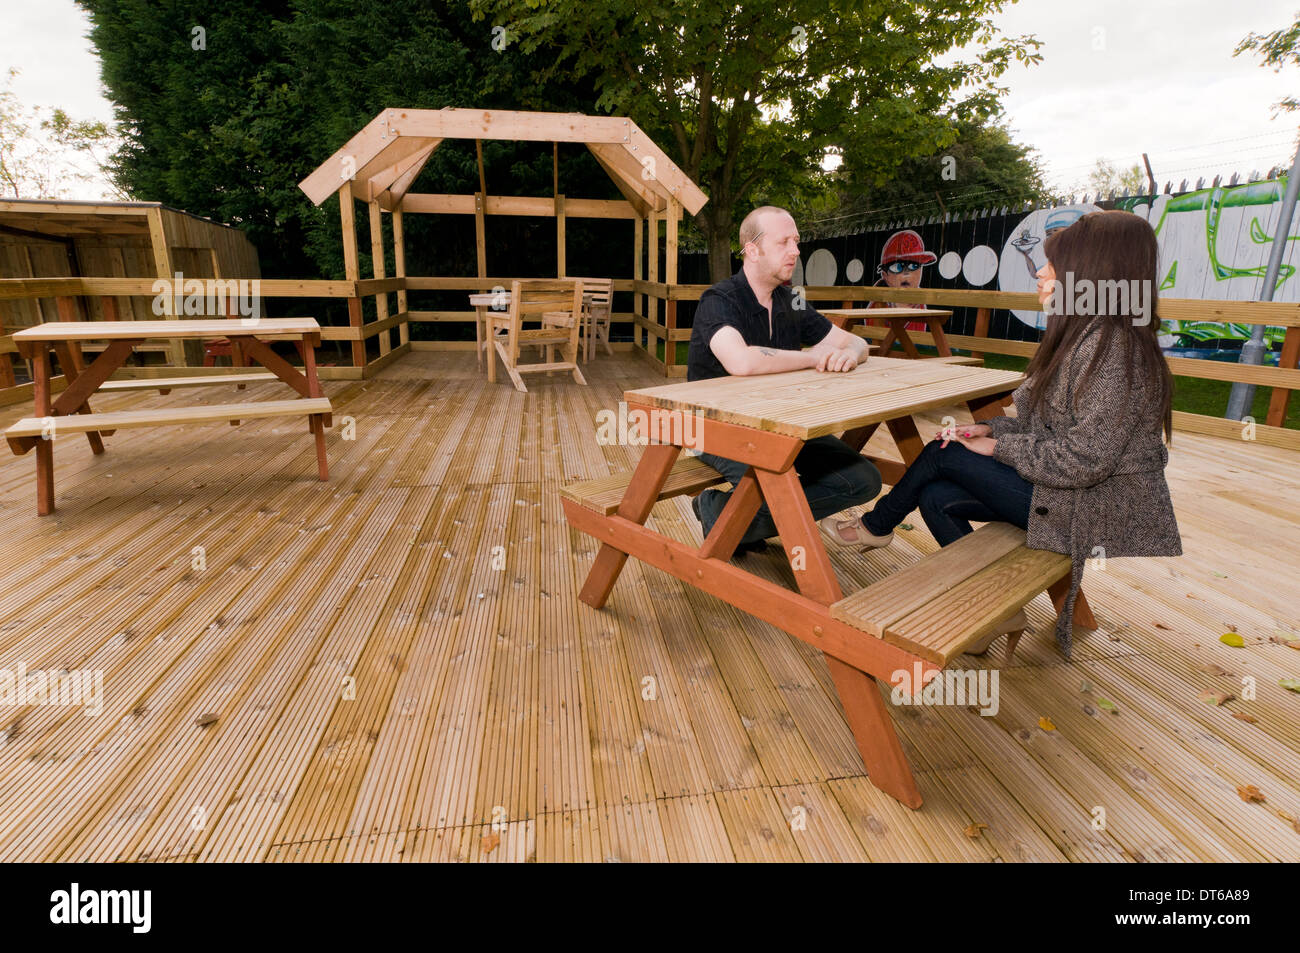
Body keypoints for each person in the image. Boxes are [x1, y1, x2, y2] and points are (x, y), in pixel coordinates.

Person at [819, 209, 1182, 659]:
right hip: (1071, 492)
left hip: (1091, 506)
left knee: (944, 449)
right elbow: (1049, 428)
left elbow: (1084, 461)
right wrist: (989, 426)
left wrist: (997, 446)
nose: (1041, 273)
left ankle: (876, 526)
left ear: (1090, 274)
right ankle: (993, 609)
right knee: (935, 495)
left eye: (1054, 265)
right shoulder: (1088, 336)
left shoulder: (1113, 351)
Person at [687, 205, 882, 553]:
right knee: (780, 486)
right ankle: (736, 521)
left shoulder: (790, 301)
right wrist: (813, 358)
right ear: (752, 249)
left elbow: (856, 343)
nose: (795, 250)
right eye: (784, 242)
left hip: (782, 424)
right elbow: (741, 362)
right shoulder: (718, 300)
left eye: (796, 241)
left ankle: (720, 515)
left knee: (863, 480)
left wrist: (850, 354)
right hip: (714, 427)